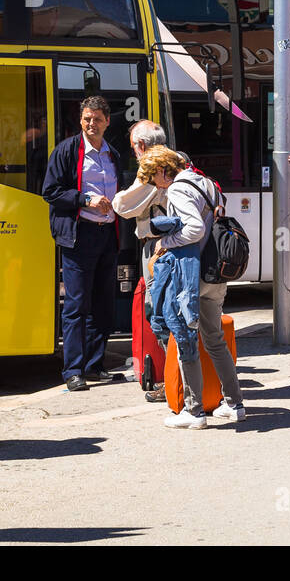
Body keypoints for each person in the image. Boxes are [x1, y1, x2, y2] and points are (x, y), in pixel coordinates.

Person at [137, 146, 245, 429]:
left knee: (186, 340)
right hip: (214, 273)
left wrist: (164, 244)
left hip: (191, 275)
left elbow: (194, 229)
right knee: (214, 340)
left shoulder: (177, 189)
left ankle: (194, 411)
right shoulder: (206, 182)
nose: (155, 186)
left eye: (153, 178)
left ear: (163, 171)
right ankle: (234, 404)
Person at [42, 95, 122, 392]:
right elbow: (50, 191)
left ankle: (94, 365)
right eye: (87, 118)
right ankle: (73, 369)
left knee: (103, 304)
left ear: (107, 121)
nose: (92, 124)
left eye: (97, 119)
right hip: (79, 235)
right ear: (81, 120)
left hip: (107, 235)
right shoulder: (66, 151)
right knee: (76, 305)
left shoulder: (113, 154)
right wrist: (86, 199)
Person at [112, 120, 175, 402]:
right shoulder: (180, 160)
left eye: (133, 149)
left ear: (141, 146)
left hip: (159, 248)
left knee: (161, 313)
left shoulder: (153, 166)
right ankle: (183, 378)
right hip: (182, 247)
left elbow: (123, 207)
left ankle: (175, 381)